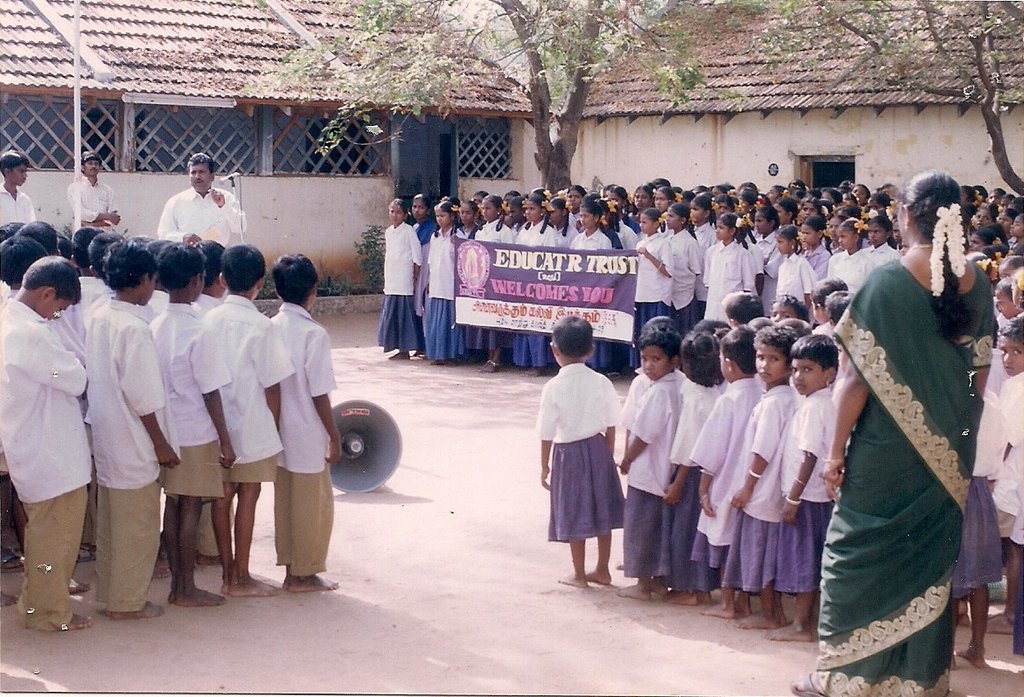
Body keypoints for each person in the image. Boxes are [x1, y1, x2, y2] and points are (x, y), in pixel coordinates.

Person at [792, 170, 994, 697]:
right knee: (927, 564)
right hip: (950, 451)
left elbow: (854, 380)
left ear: (906, 217)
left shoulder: (884, 283)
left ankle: (844, 677)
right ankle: (920, 679)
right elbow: (979, 372)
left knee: (855, 556)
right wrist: (956, 434)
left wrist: (834, 454)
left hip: (885, 453)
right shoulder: (980, 284)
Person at [87, 238, 179, 620]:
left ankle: (111, 592)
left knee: (111, 523)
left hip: (107, 434)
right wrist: (161, 445)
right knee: (138, 527)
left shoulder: (100, 315)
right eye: (152, 281)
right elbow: (143, 399)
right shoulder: (133, 329)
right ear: (142, 280)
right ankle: (127, 603)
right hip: (134, 439)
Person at [0, 257, 91, 630]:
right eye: (60, 308)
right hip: (50, 452)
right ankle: (48, 614)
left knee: (44, 535)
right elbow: (74, 378)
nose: (59, 315)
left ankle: (36, 605)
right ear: (46, 293)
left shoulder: (12, 320)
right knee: (53, 538)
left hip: (39, 445)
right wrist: (76, 364)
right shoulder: (30, 334)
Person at [203, 244, 294, 597]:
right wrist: (273, 424)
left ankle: (227, 573)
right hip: (254, 426)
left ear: (222, 279)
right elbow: (273, 387)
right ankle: (241, 574)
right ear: (260, 283)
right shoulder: (262, 326)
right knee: (249, 496)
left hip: (215, 426)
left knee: (222, 498)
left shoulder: (207, 320)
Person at [150, 243, 235, 607]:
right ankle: (183, 588)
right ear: (197, 281)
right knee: (191, 505)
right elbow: (211, 392)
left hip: (169, 429)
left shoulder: (155, 324)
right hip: (197, 431)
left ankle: (178, 582)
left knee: (174, 504)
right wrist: (226, 441)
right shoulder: (199, 330)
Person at [270, 254, 341, 593]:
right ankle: (304, 573)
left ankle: (290, 566)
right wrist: (334, 435)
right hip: (308, 430)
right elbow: (319, 393)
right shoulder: (314, 334)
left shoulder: (271, 326)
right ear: (314, 290)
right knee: (313, 505)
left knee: (285, 501)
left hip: (278, 429)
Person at [537, 316, 623, 588]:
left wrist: (544, 466)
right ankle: (602, 569)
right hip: (597, 448)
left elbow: (546, 432)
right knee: (602, 509)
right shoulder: (602, 382)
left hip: (567, 453)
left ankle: (579, 574)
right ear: (591, 350)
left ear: (554, 350)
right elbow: (611, 424)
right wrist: (607, 455)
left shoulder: (552, 387)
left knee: (575, 510)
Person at [725, 325, 800, 631]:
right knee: (764, 553)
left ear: (787, 364)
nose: (764, 366)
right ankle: (770, 611)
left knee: (762, 554)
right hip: (773, 490)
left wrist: (747, 487)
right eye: (760, 357)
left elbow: (762, 452)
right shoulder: (788, 398)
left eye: (773, 359)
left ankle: (772, 614)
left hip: (762, 491)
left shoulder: (773, 404)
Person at [770, 334, 838, 643]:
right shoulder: (819, 403)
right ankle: (806, 622)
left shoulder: (814, 407)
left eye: (808, 370)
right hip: (816, 497)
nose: (799, 377)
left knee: (803, 560)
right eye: (796, 369)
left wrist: (793, 498)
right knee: (811, 559)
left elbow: (809, 456)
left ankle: (800, 625)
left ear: (829, 374)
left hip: (807, 498)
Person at [692, 326, 761, 620]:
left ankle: (729, 604)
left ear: (728, 365)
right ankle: (744, 601)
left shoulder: (729, 400)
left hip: (725, 482)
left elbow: (712, 450)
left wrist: (704, 488)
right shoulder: (762, 394)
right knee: (743, 542)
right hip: (753, 483)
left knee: (724, 542)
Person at [618, 322, 684, 601]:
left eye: (656, 359)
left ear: (674, 361)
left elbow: (643, 433)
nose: (648, 366)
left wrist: (627, 459)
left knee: (640, 528)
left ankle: (644, 584)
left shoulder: (660, 391)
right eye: (644, 359)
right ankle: (657, 579)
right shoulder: (677, 384)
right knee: (658, 528)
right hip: (666, 469)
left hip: (648, 470)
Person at [663, 329, 724, 605]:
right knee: (701, 529)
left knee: (686, 531)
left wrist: (677, 483)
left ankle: (691, 588)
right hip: (712, 474)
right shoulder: (714, 393)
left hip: (691, 476)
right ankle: (703, 585)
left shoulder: (697, 399)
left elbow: (690, 449)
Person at [156, 153, 245, 246]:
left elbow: (240, 228)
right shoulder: (176, 202)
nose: (197, 176)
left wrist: (223, 206)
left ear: (212, 176)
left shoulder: (227, 198)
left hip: (216, 256)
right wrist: (182, 237)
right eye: (193, 172)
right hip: (187, 255)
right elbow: (163, 234)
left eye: (202, 172)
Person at [377, 199, 422, 360]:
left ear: (405, 215)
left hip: (404, 279)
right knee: (392, 313)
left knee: (404, 315)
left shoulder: (408, 231)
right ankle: (396, 346)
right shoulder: (389, 232)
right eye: (392, 211)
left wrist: (415, 278)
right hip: (392, 279)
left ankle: (405, 349)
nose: (394, 215)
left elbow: (417, 257)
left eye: (398, 212)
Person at [631, 208, 675, 369]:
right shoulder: (640, 242)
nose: (642, 226)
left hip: (657, 294)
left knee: (657, 333)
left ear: (656, 224)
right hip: (641, 293)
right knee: (642, 332)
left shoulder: (663, 243)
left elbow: (669, 272)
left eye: (645, 222)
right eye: (640, 222)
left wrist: (649, 256)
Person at [425, 200, 465, 365]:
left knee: (449, 320)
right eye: (437, 216)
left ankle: (451, 355)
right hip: (436, 282)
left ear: (452, 216)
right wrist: (428, 279)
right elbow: (431, 261)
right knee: (436, 320)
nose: (439, 219)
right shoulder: (435, 237)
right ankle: (437, 354)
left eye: (443, 215)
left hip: (450, 284)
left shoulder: (458, 237)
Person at [703, 213, 758, 322]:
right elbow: (708, 281)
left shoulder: (742, 254)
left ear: (732, 231)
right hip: (713, 304)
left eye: (721, 228)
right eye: (717, 227)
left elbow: (748, 285)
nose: (717, 231)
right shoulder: (711, 252)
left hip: (733, 305)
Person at [67, 151, 120, 228]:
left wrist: (89, 224)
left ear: (100, 167)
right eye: (90, 163)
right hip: (83, 234)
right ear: (82, 167)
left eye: (96, 164)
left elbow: (114, 218)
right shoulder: (74, 188)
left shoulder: (108, 190)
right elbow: (80, 213)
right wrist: (106, 216)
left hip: (104, 235)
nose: (93, 166)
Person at [776, 225, 816, 310]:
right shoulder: (783, 266)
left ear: (792, 243)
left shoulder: (801, 264)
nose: (778, 246)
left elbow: (808, 293)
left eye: (780, 242)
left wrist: (804, 315)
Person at [0, 150, 35, 226]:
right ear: (7, 172)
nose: (25, 175)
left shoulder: (25, 200)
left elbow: (31, 227)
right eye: (21, 171)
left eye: (26, 171)